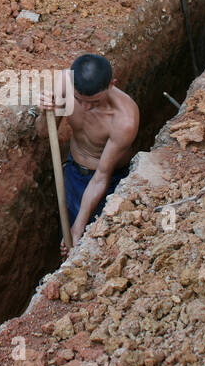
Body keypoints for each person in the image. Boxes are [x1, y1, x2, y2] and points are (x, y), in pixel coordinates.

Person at [35, 54, 139, 249]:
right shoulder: (65, 82)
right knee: (67, 236)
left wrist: (78, 229)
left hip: (108, 183)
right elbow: (43, 132)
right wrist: (45, 111)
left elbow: (101, 177)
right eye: (78, 99)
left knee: (93, 243)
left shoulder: (124, 119)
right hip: (72, 173)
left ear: (111, 85)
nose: (85, 107)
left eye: (95, 102)